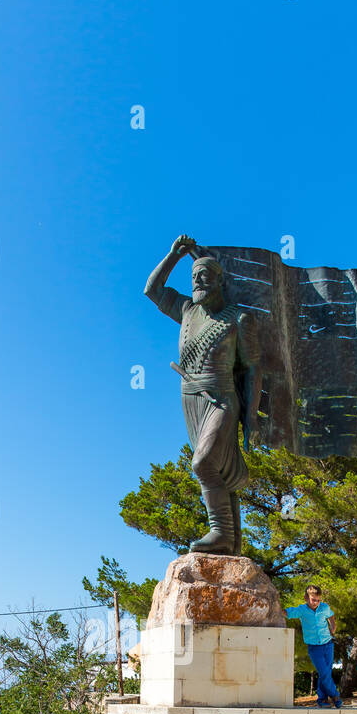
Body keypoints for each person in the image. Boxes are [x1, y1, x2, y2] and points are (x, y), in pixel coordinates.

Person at [144, 235, 262, 555]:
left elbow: (252, 368)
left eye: (204, 275)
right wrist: (173, 256)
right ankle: (232, 543)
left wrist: (251, 417)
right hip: (190, 400)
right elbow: (152, 291)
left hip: (222, 399)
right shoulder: (187, 310)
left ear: (219, 280)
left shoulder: (239, 319)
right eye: (193, 276)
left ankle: (220, 532)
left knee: (203, 462)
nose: (197, 280)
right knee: (216, 470)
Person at [285, 585, 343, 708]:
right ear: (306, 598)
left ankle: (322, 700)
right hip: (314, 648)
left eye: (318, 600)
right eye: (313, 599)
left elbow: (331, 615)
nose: (316, 602)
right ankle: (335, 695)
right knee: (324, 672)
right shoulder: (301, 610)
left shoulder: (324, 607)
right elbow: (288, 612)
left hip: (328, 644)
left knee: (326, 672)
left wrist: (333, 626)